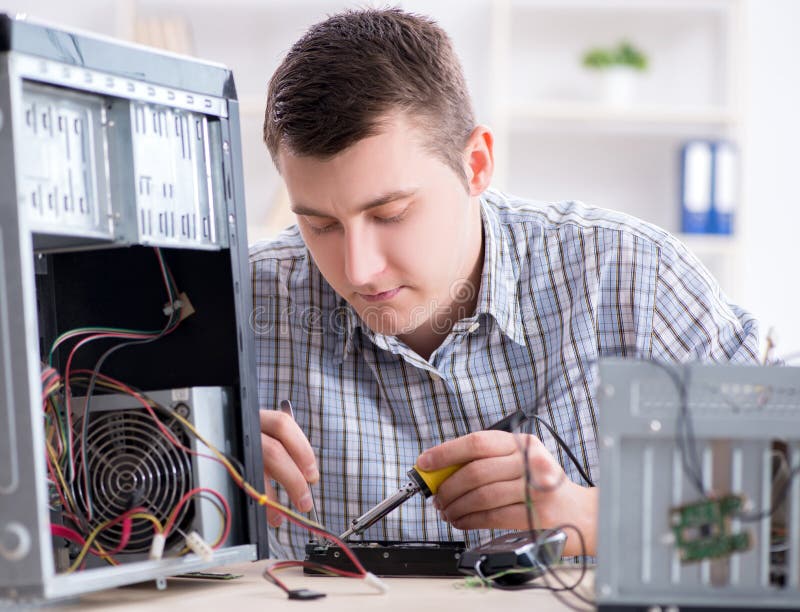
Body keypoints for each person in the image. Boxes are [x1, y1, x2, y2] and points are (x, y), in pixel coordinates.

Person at [250, 8, 759, 559]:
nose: (358, 269)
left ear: (477, 163)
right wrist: (181, 472)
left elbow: (779, 507)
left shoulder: (633, 277)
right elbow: (152, 527)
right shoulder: (244, 300)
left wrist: (588, 516)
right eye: (320, 225)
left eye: (391, 213)